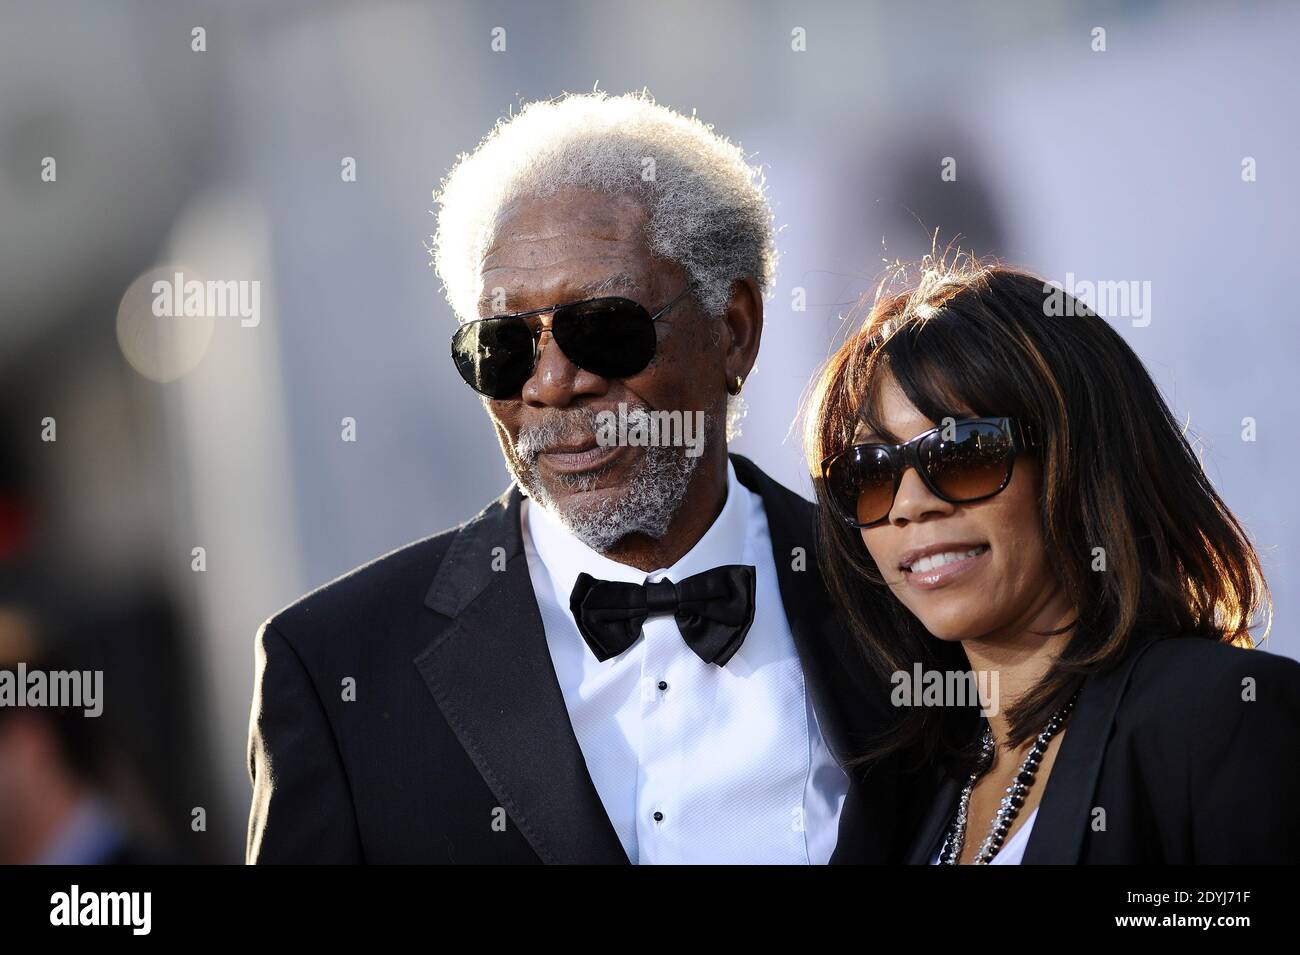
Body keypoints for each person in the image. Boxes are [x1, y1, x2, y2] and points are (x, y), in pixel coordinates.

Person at [247, 91, 913, 864]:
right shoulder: (337, 672)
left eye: (603, 327)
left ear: (734, 330)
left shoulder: (895, 601)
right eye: (503, 345)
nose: (554, 384)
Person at [809, 256, 1300, 864]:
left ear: (1082, 462)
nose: (910, 504)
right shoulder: (908, 795)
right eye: (871, 473)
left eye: (965, 451)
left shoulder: (1221, 717)